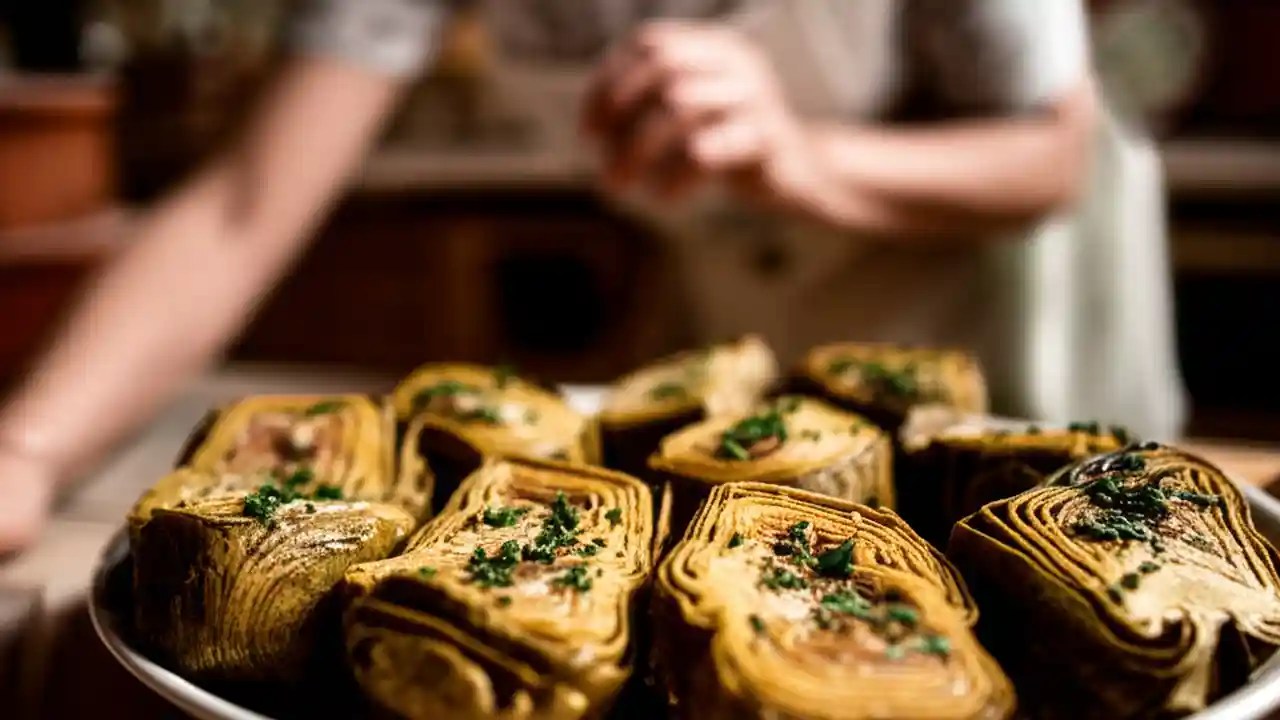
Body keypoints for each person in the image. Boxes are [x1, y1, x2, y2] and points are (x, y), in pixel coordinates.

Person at [0, 0, 1185, 552]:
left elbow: (1050, 152)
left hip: (1010, 303)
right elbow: (244, 204)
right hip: (733, 312)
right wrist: (27, 454)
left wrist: (800, 155)